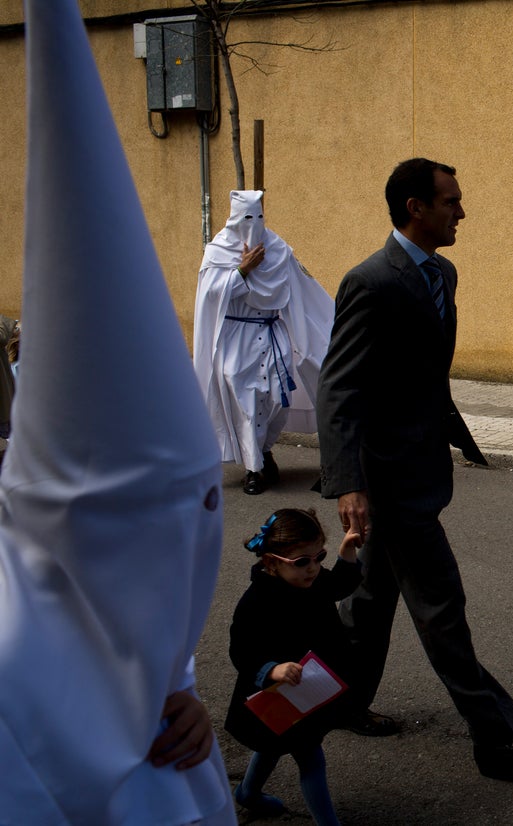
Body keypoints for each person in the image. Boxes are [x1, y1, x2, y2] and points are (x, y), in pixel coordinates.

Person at [1, 1, 232, 821]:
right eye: (137, 524)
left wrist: (184, 700)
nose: (177, 559)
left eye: (198, 514)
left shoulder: (143, 657)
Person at [317, 157, 513, 777]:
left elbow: (424, 371)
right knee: (440, 607)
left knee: (370, 603)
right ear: (414, 209)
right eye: (451, 201)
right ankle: (496, 738)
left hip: (419, 462)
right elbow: (339, 388)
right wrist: (348, 482)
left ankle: (320, 698)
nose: (462, 211)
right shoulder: (370, 281)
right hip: (389, 480)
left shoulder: (442, 273)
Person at [194, 190, 335, 495]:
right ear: (234, 218)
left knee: (275, 403)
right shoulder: (217, 251)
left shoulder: (278, 249)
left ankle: (264, 452)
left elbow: (302, 291)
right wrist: (243, 270)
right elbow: (210, 297)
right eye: (247, 217)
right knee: (245, 402)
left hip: (273, 337)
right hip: (237, 339)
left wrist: (322, 331)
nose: (253, 224)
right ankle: (253, 469)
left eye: (258, 216)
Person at [226, 509, 362, 824]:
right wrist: (270, 670)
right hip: (277, 690)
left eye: (319, 557)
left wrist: (347, 554)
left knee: (273, 743)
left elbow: (338, 585)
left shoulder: (311, 579)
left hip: (308, 688)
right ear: (271, 562)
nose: (313, 568)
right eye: (302, 561)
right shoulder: (257, 601)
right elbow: (241, 648)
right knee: (311, 757)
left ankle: (248, 792)